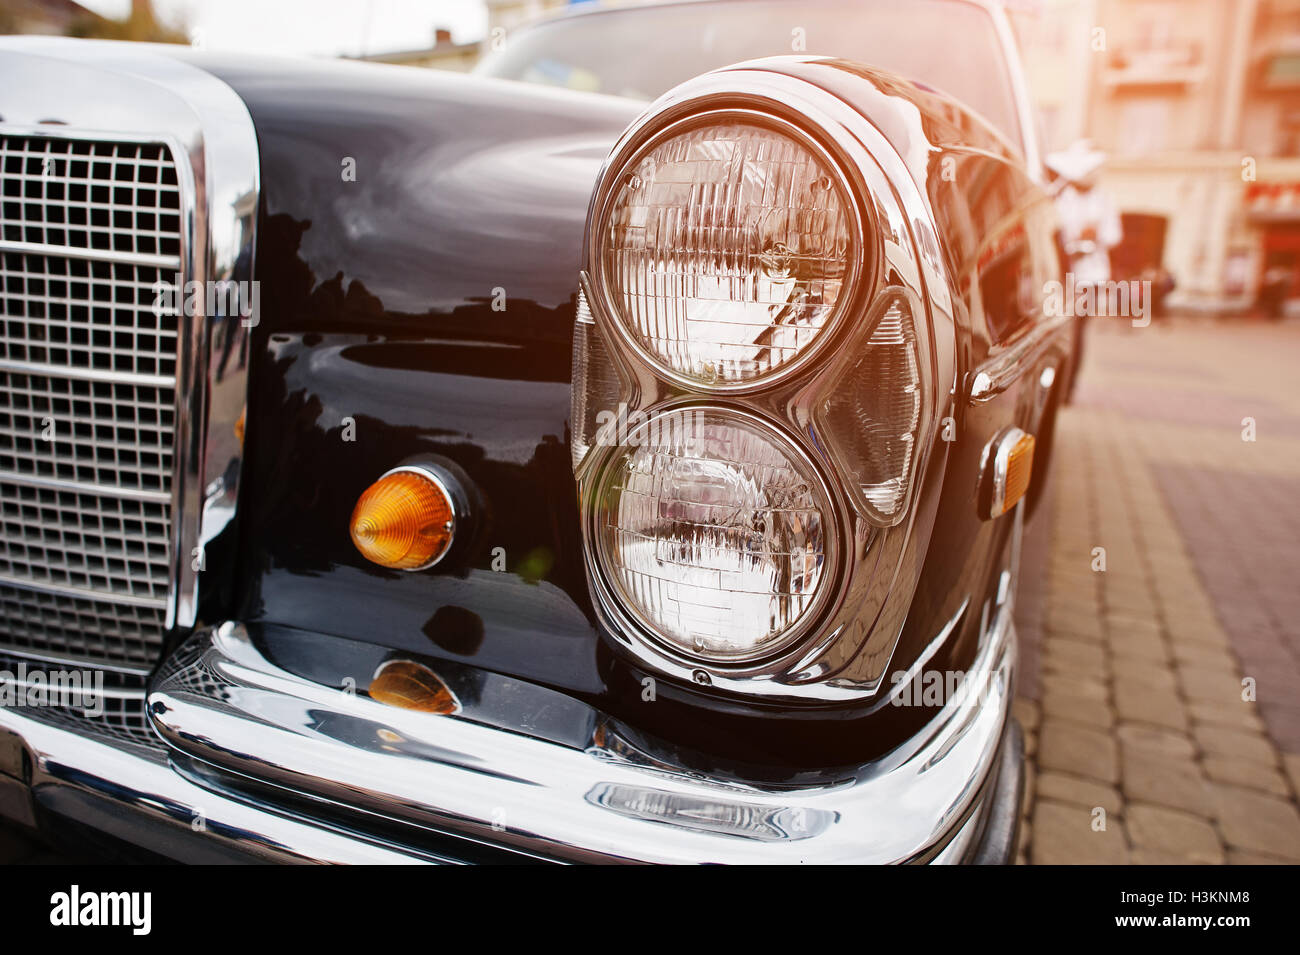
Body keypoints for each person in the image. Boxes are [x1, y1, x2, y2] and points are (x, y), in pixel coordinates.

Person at [1046, 141, 1123, 399]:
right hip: (1061, 273)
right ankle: (1056, 382)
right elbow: (1054, 231)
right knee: (1059, 330)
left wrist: (1097, 233)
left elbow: (1114, 235)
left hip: (1090, 276)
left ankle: (1068, 387)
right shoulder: (1061, 198)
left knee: (1077, 331)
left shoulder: (1104, 200)